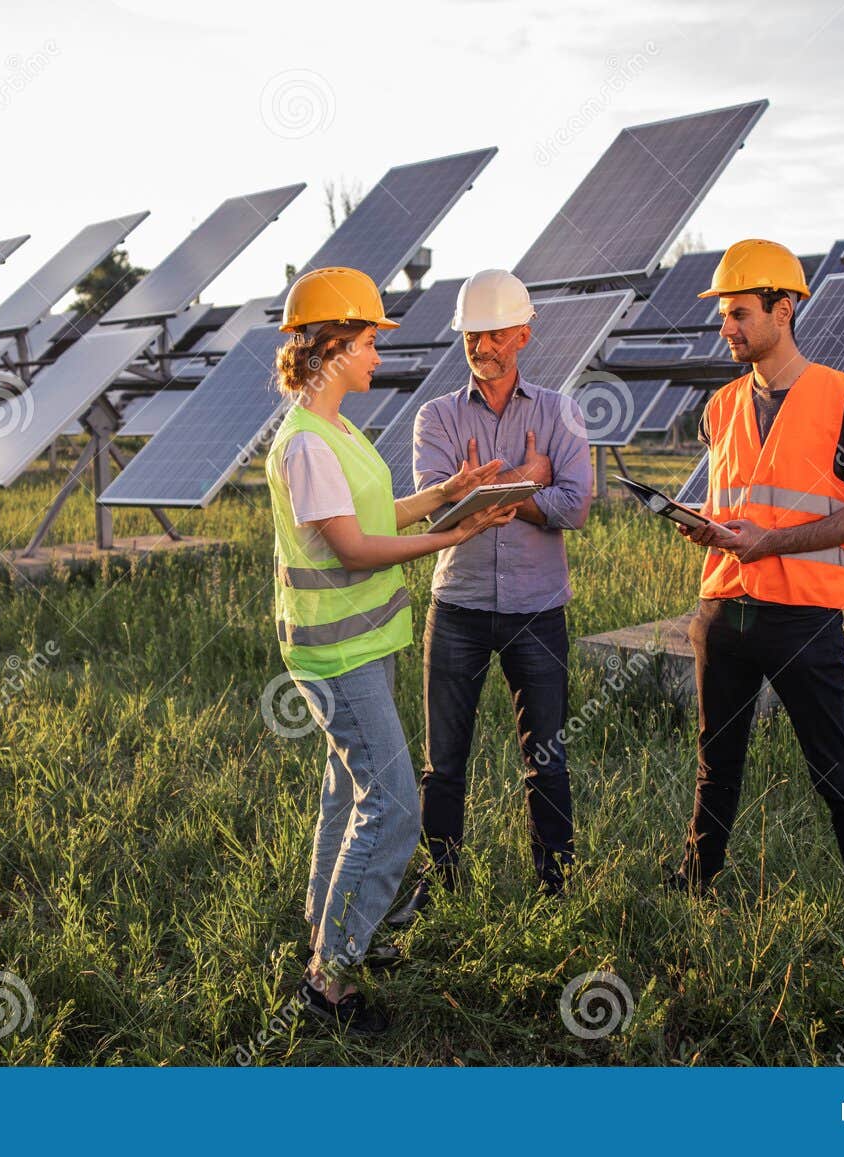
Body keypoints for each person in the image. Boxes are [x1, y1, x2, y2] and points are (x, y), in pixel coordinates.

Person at [265, 266, 518, 1034]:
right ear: (336, 347)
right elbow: (350, 549)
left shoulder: (336, 429)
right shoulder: (306, 442)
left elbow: (374, 511)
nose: (379, 353)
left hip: (359, 646)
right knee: (395, 805)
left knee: (347, 794)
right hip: (334, 656)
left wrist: (448, 493)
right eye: (371, 340)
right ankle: (328, 983)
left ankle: (328, 929)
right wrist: (455, 535)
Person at [665, 240, 844, 963]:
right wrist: (707, 528)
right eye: (723, 316)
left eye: (738, 313)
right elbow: (733, 504)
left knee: (835, 771)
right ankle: (695, 884)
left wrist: (771, 543)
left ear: (784, 308)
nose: (726, 329)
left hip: (802, 618)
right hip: (724, 613)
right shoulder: (721, 406)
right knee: (716, 762)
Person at [388, 269, 593, 925]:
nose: (484, 344)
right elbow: (438, 517)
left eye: (497, 332)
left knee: (547, 760)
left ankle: (557, 887)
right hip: (459, 608)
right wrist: (528, 481)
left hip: (538, 611)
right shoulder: (436, 416)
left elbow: (576, 505)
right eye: (473, 333)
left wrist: (504, 493)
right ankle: (443, 885)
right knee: (443, 761)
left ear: (523, 335)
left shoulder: (560, 410)